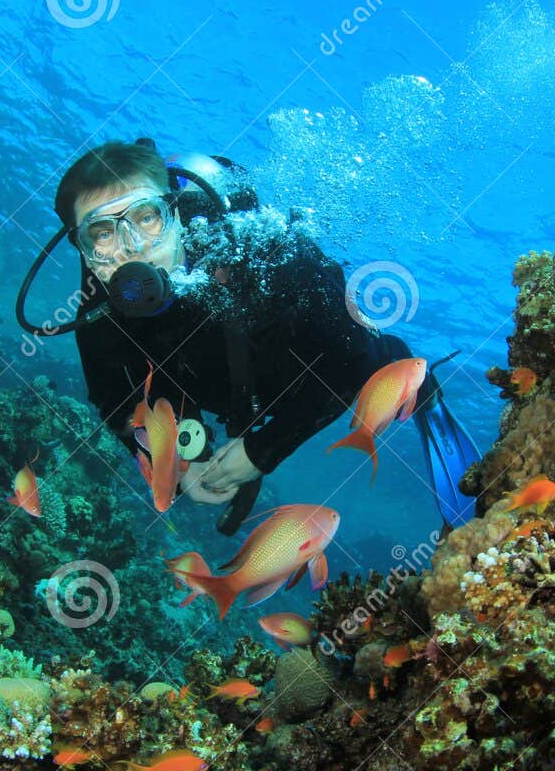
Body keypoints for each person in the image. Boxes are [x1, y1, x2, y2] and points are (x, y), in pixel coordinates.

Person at [26, 138, 479, 533]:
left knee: (377, 359)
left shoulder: (264, 252)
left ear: (176, 214)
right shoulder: (99, 304)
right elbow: (113, 399)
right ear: (83, 247)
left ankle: (421, 391)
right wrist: (176, 461)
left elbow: (350, 359)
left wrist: (263, 450)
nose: (130, 248)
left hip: (315, 368)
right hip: (213, 388)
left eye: (146, 218)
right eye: (101, 233)